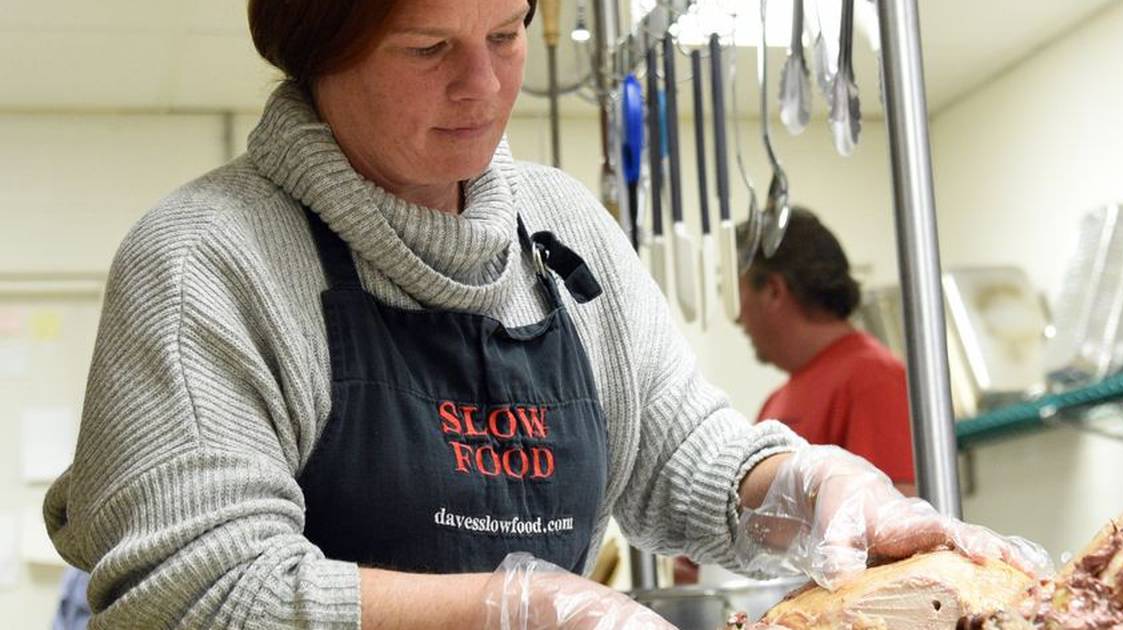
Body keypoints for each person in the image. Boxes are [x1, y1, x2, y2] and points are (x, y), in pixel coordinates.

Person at [42, 1, 1045, 628]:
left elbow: (680, 450)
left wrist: (802, 489)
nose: (481, 87)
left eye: (507, 33)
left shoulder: (567, 227)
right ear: (322, 45)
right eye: (428, 46)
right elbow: (201, 598)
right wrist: (511, 610)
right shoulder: (205, 262)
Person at [738, 207, 917, 495]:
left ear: (773, 290)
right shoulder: (775, 402)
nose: (737, 317)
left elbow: (898, 519)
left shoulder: (874, 379)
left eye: (739, 293)